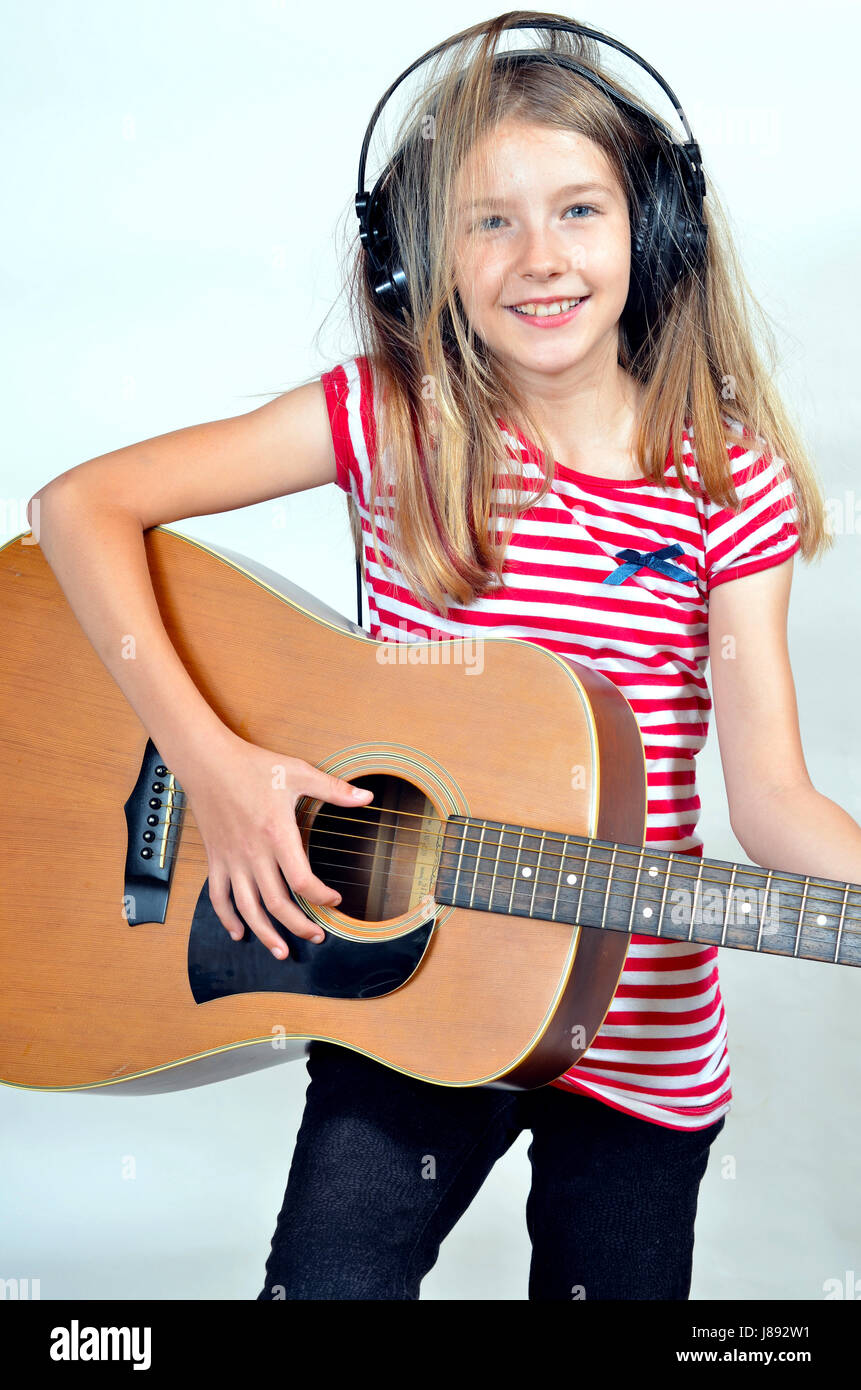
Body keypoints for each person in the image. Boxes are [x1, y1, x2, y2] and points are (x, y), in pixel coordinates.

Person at [28, 14, 857, 1300]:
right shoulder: (392, 418)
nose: (542, 259)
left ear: (657, 227)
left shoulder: (723, 480)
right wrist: (222, 767)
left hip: (642, 1050)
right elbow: (77, 506)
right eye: (490, 222)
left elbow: (776, 805)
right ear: (423, 259)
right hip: (406, 1008)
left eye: (580, 210)